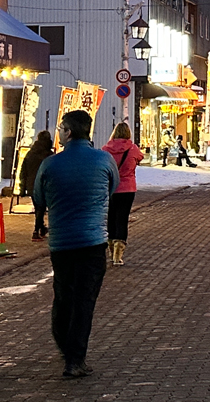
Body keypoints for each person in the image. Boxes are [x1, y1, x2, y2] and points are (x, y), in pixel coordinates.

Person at [33, 110, 119, 378]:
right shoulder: (104, 160)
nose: (59, 132)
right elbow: (112, 189)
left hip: (61, 243)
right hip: (93, 240)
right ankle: (75, 358)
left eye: (61, 128)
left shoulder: (50, 164)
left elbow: (38, 198)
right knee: (84, 300)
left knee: (63, 295)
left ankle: (65, 345)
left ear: (68, 132)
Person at [102, 122, 144, 266]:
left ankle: (111, 247)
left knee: (111, 217)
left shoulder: (106, 149)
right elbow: (140, 158)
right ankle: (118, 255)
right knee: (122, 218)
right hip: (127, 189)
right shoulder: (133, 149)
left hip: (111, 188)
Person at [19, 131, 54, 241]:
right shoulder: (49, 155)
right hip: (45, 185)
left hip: (31, 186)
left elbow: (23, 171)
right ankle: (36, 231)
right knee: (41, 209)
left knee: (38, 208)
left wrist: (22, 188)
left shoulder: (30, 153)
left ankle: (42, 228)